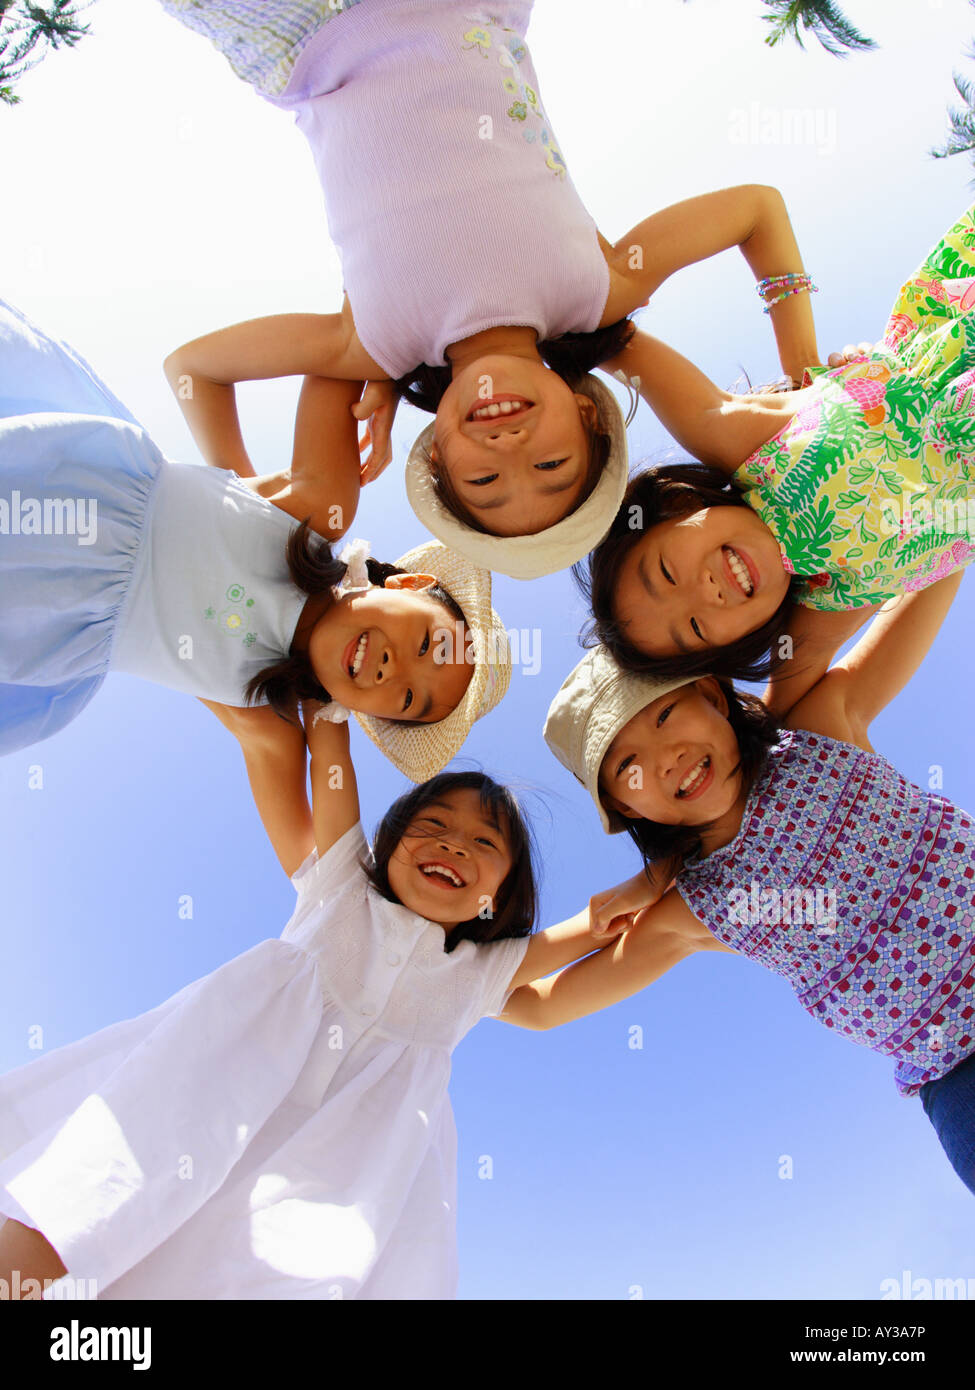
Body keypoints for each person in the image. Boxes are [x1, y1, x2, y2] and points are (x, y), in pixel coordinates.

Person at [156, 0, 821, 576]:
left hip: (299, 37)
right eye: (552, 466)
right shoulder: (596, 288)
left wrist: (234, 485)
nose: (511, 453)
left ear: (439, 454)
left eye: (482, 482)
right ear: (588, 414)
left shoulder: (372, 345)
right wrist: (803, 370)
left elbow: (193, 367)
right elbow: (756, 211)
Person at [0, 697, 622, 1299]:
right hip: (208, 1088)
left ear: (503, 896)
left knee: (276, 1268)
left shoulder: (479, 973)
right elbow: (333, 758)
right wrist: (332, 694)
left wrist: (664, 879)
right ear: (389, 841)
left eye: (485, 845)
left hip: (330, 1169)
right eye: (432, 825)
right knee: (97, 1195)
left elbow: (595, 928)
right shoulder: (342, 887)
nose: (454, 844)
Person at [535, 570, 975, 1195]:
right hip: (959, 1070)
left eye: (664, 714)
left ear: (713, 698)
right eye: (627, 765)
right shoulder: (694, 908)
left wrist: (948, 503)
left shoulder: (819, 731)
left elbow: (935, 566)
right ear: (627, 809)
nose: (665, 756)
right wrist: (419, 970)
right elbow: (542, 1006)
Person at [0, 300, 510, 777]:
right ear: (409, 585)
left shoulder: (262, 708)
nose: (392, 672)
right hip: (66, 495)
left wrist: (234, 493)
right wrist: (382, 374)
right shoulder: (316, 510)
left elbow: (319, 870)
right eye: (425, 643)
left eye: (406, 701)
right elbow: (337, 342)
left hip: (41, 625)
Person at [584, 204, 975, 707]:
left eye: (665, 572)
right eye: (697, 628)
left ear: (676, 511)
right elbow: (780, 713)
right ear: (740, 642)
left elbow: (607, 333)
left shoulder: (746, 446)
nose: (705, 591)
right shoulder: (827, 598)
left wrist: (560, 322)